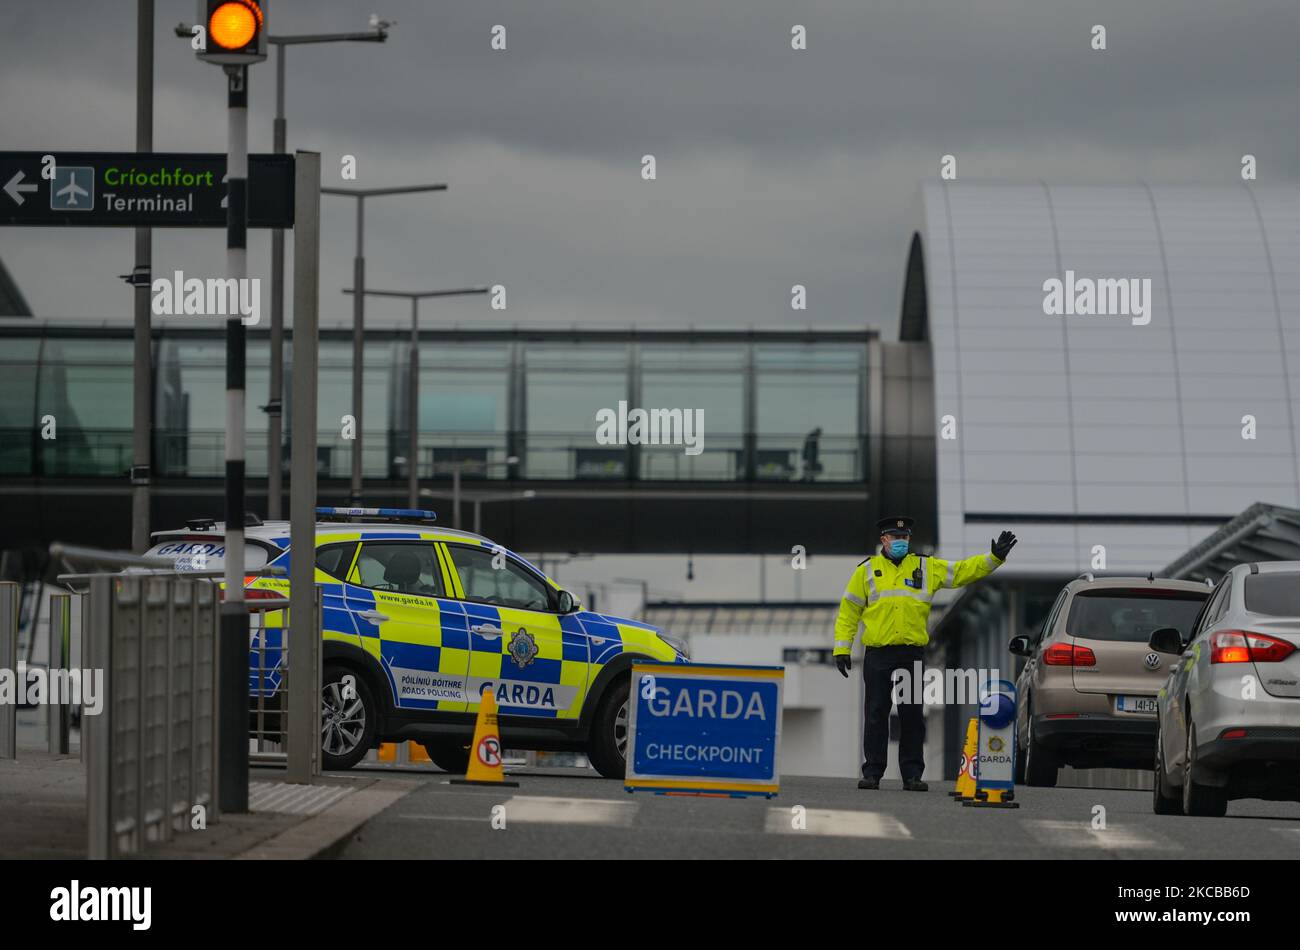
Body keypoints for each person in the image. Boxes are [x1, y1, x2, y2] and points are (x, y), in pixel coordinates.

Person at [834, 516, 1017, 790]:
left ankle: (912, 775)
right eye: (896, 538)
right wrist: (842, 648)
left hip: (911, 653)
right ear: (883, 540)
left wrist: (993, 558)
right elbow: (848, 612)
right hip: (878, 653)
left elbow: (963, 571)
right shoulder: (867, 571)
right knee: (875, 713)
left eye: (905, 538)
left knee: (912, 714)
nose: (901, 542)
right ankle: (872, 772)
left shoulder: (925, 566)